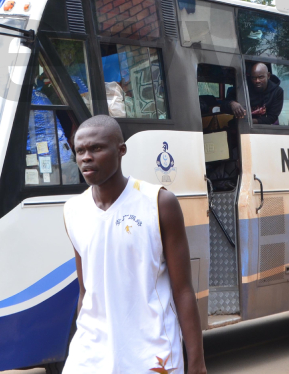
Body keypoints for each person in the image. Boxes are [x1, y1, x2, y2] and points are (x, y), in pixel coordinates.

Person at [62, 116, 206, 374]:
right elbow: (86, 290)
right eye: (80, 150)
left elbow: (182, 289)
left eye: (96, 148)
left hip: (151, 353)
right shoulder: (72, 211)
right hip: (91, 353)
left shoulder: (159, 203)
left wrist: (197, 363)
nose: (86, 157)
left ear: (121, 150)